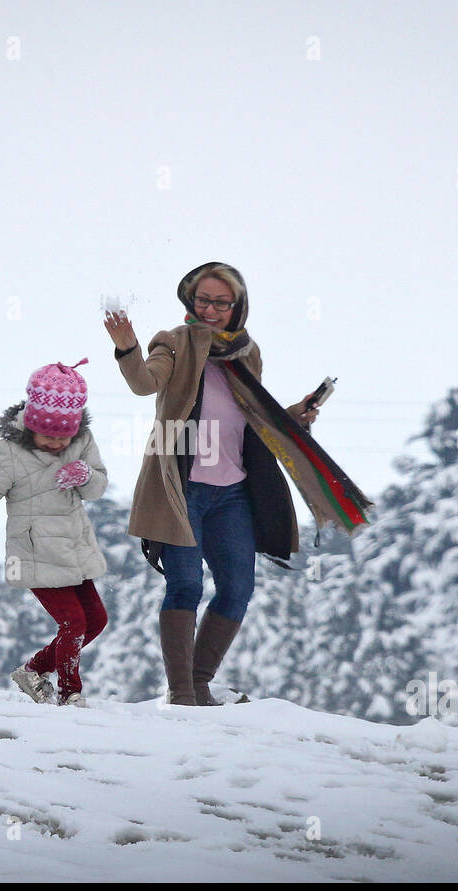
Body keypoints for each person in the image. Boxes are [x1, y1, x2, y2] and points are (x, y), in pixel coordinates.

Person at [105, 262, 320, 705]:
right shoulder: (176, 342)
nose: (210, 309)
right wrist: (127, 349)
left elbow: (253, 413)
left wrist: (293, 416)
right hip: (182, 490)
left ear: (237, 306)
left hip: (233, 493)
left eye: (221, 303)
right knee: (185, 585)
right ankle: (182, 692)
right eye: (203, 300)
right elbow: (145, 383)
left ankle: (200, 683)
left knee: (238, 588)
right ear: (189, 299)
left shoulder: (247, 353)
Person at [0, 358, 109, 707]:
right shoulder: (9, 452)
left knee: (96, 620)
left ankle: (32, 670)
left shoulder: (82, 442)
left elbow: (98, 487)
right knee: (73, 622)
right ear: (31, 424)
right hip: (33, 556)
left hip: (75, 550)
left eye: (64, 435)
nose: (58, 443)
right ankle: (71, 693)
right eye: (48, 435)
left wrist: (86, 475)